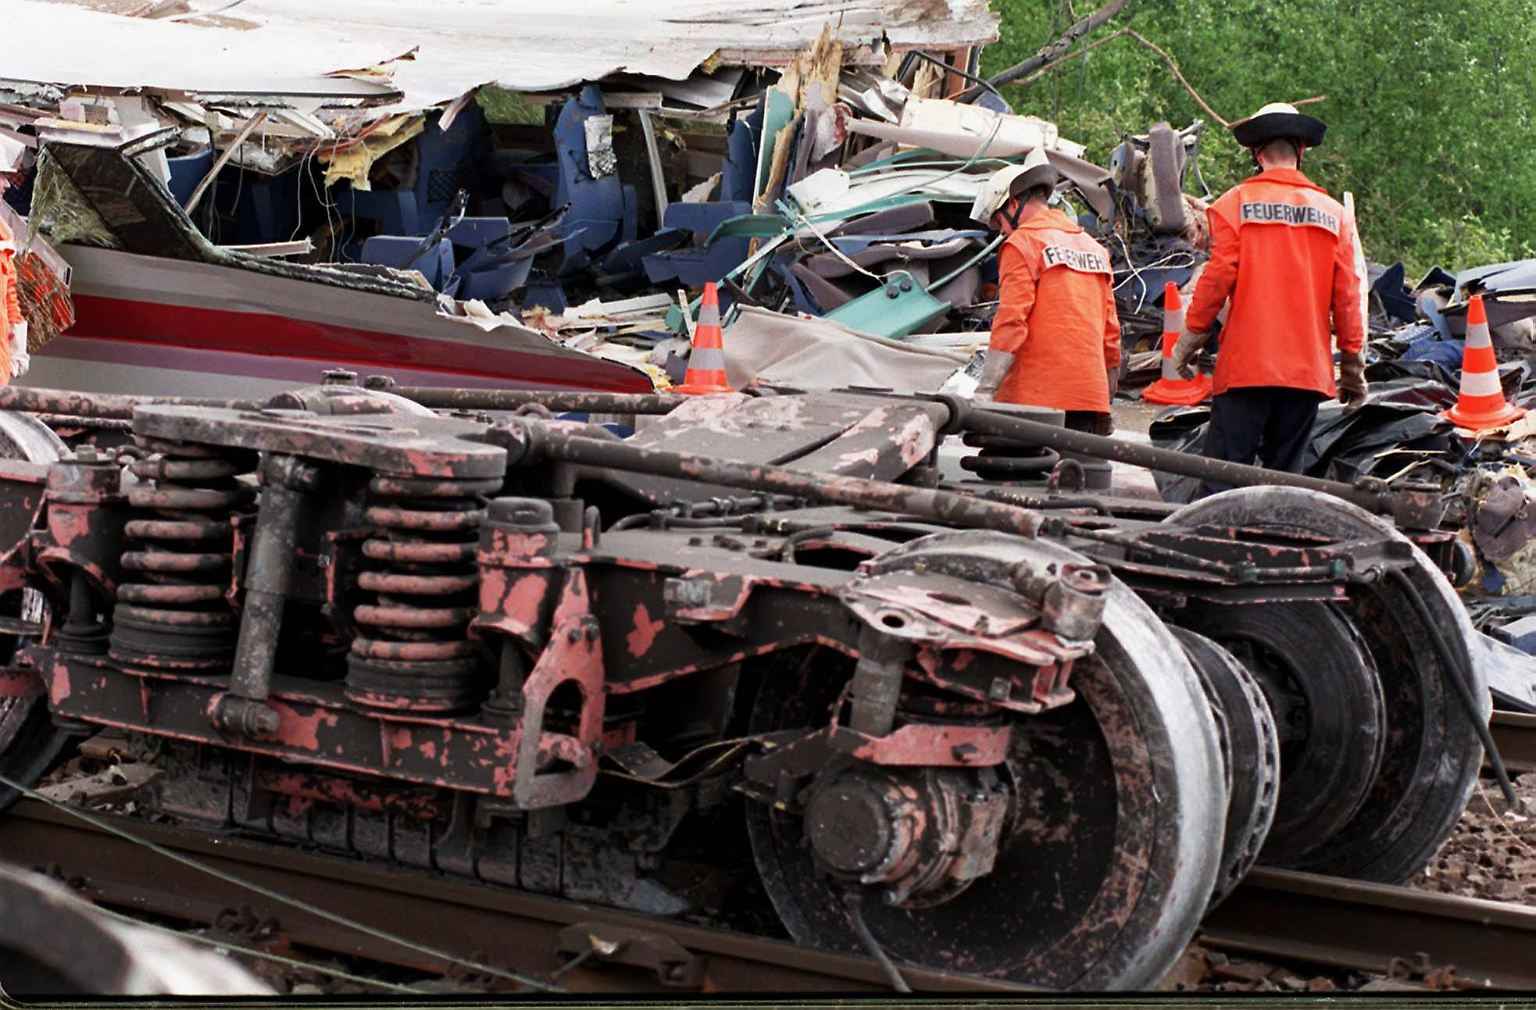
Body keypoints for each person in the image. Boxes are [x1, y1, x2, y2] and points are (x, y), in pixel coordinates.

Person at [1173, 102, 1365, 493]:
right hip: (1306, 374)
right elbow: (1348, 296)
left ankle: (1216, 533)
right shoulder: (1334, 214)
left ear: (1256, 153)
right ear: (1301, 150)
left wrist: (1187, 343)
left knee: (1223, 482)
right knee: (1283, 487)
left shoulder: (1233, 204)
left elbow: (1216, 280)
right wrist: (1352, 367)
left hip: (1246, 368)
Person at [971, 149, 1121, 435]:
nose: (1002, 232)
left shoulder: (1023, 244)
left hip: (1035, 400)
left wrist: (985, 389)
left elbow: (1011, 321)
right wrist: (1106, 398)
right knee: (1075, 465)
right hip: (1088, 398)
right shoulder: (1094, 249)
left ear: (1013, 204)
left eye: (1000, 222)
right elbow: (1111, 332)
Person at [0, 135, 30, 384]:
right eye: (1, 176)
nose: (7, 184)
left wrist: (17, 348)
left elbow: (9, 295)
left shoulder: (3, 235)